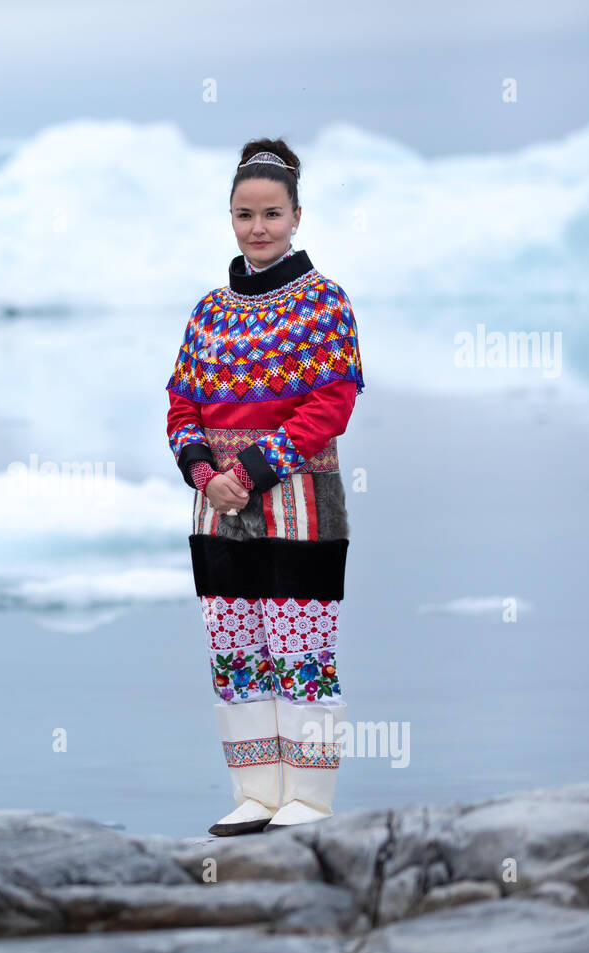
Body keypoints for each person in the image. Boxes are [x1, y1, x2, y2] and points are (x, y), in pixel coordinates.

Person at [165, 137, 365, 836]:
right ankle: (256, 792)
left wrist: (247, 472)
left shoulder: (324, 303)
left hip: (301, 506)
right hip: (216, 513)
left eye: (272, 213)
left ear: (297, 216)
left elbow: (332, 403)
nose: (258, 227)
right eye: (245, 213)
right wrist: (202, 474)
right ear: (229, 217)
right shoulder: (209, 311)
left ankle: (307, 800)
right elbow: (180, 405)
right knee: (236, 652)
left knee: (301, 650)